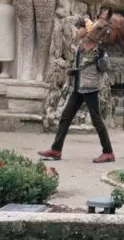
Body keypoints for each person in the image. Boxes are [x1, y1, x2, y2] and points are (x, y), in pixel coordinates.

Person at [38, 17, 115, 163]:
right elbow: (80, 65)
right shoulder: (80, 46)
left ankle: (108, 152)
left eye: (79, 28)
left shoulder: (98, 50)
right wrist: (73, 71)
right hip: (78, 88)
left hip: (91, 88)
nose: (77, 31)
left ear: (87, 30)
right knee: (66, 117)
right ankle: (56, 150)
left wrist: (101, 60)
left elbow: (105, 69)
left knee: (96, 120)